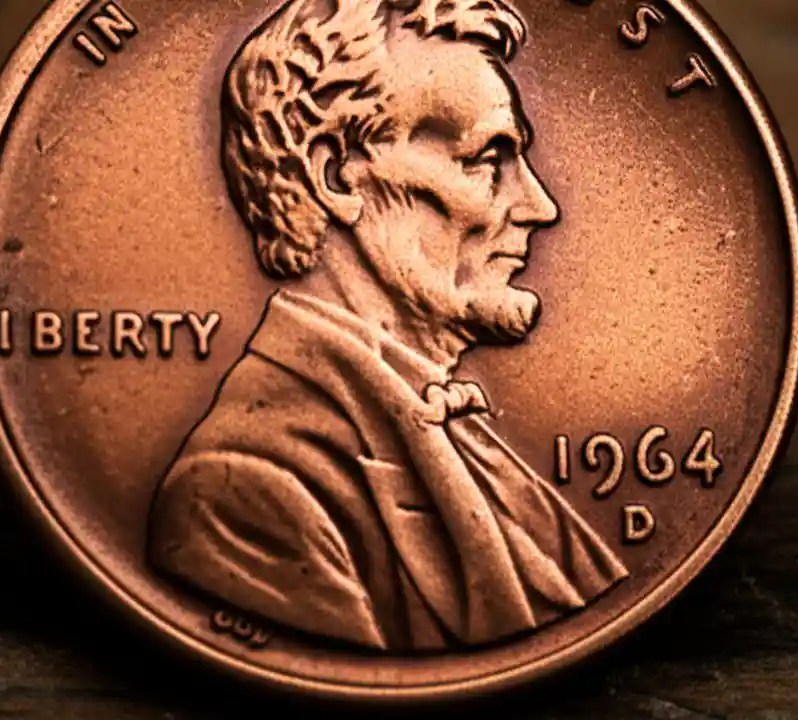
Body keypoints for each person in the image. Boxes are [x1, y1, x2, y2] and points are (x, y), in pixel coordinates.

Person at [147, 0, 628, 652]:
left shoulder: (456, 430)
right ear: (335, 176)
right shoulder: (241, 491)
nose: (539, 206)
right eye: (487, 159)